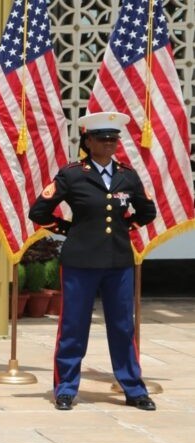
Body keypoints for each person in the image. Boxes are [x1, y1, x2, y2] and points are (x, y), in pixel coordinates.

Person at [29, 111, 157, 412]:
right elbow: (39, 211)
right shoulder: (73, 174)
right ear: (88, 141)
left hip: (118, 262)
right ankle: (65, 388)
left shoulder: (127, 175)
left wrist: (126, 227)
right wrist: (69, 230)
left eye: (114, 139)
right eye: (102, 139)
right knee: (73, 326)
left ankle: (133, 389)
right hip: (81, 263)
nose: (109, 143)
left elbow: (147, 211)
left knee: (123, 327)